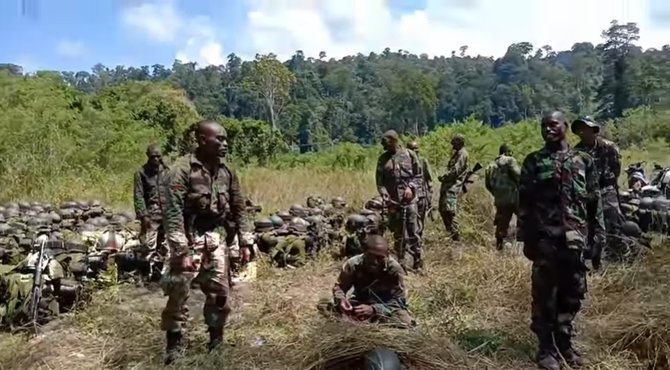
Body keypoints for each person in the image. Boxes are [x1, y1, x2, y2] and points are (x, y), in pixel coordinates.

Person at [518, 111, 605, 370]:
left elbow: (593, 200)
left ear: (565, 126)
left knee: (573, 294)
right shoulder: (534, 161)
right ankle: (545, 349)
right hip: (546, 241)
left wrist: (598, 236)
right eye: (543, 126)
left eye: (553, 125)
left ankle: (564, 343)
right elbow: (524, 202)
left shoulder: (584, 160)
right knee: (545, 295)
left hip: (575, 241)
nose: (548, 130)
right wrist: (527, 239)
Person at [160, 120, 250, 364]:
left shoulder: (227, 172)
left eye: (225, 139)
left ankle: (216, 342)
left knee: (220, 294)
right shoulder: (181, 170)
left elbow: (239, 207)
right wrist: (182, 251)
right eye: (219, 139)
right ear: (202, 140)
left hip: (216, 239)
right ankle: (174, 346)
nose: (225, 144)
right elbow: (172, 212)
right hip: (188, 239)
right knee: (179, 293)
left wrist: (244, 242)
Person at [572, 117, 626, 265]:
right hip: (588, 192)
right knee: (589, 225)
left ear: (593, 129)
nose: (582, 132)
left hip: (607, 188)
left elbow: (616, 169)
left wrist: (610, 188)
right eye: (579, 129)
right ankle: (594, 256)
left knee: (614, 218)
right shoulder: (576, 152)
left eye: (585, 128)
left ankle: (619, 255)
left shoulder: (608, 147)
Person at [332, 234, 414, 328]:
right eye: (371, 256)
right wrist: (341, 300)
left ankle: (364, 321)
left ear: (387, 255)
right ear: (364, 253)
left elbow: (399, 301)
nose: (375, 262)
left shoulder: (394, 269)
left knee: (404, 321)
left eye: (380, 258)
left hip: (384, 306)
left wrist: (374, 309)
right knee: (325, 304)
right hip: (359, 303)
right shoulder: (353, 264)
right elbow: (340, 287)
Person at [375, 130, 423, 270]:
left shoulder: (409, 154)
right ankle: (400, 263)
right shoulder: (383, 159)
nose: (385, 147)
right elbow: (380, 182)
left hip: (410, 201)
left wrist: (411, 187)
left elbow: (418, 176)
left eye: (387, 144)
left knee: (413, 231)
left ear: (394, 141)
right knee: (398, 233)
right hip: (393, 203)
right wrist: (384, 194)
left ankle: (417, 262)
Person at [133, 144, 167, 274]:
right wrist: (143, 215)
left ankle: (158, 272)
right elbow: (138, 195)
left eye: (159, 156)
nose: (156, 159)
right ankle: (145, 272)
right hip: (150, 214)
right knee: (148, 245)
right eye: (153, 157)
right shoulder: (141, 173)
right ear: (148, 156)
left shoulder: (167, 172)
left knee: (164, 245)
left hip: (166, 213)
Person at [484, 144, 521, 250]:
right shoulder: (510, 160)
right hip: (513, 196)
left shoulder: (490, 166)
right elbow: (519, 176)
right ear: (507, 152)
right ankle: (523, 245)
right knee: (525, 218)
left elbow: (488, 185)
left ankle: (499, 247)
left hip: (500, 199)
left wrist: (496, 194)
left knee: (502, 223)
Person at [438, 134, 469, 241]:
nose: (452, 144)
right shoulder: (457, 154)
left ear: (459, 142)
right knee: (443, 210)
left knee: (450, 211)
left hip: (453, 187)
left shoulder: (462, 154)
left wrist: (444, 177)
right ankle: (451, 234)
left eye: (454, 142)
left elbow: (455, 171)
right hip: (448, 187)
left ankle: (456, 237)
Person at [406, 140, 433, 237]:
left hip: (422, 195)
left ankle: (419, 239)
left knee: (420, 219)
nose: (414, 152)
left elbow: (429, 179)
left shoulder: (423, 161)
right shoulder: (404, 162)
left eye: (416, 150)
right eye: (412, 150)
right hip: (410, 196)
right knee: (411, 220)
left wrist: (429, 195)